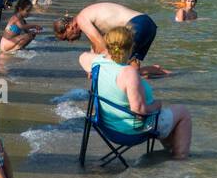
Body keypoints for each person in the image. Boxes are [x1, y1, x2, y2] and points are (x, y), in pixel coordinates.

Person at [77, 25, 191, 159]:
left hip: (106, 126)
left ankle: (168, 153)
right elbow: (139, 111)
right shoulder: (128, 72)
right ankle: (180, 159)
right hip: (131, 131)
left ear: (107, 46)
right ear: (131, 48)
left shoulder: (97, 63)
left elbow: (82, 56)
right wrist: (157, 105)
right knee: (183, 113)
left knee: (167, 120)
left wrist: (102, 56)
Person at [54, 2, 167, 77]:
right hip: (147, 24)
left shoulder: (81, 20)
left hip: (137, 26)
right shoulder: (85, 17)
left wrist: (94, 69)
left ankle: (153, 71)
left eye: (66, 38)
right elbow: (95, 46)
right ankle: (164, 73)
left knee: (118, 70)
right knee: (133, 72)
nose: (70, 41)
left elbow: (102, 46)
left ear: (69, 27)